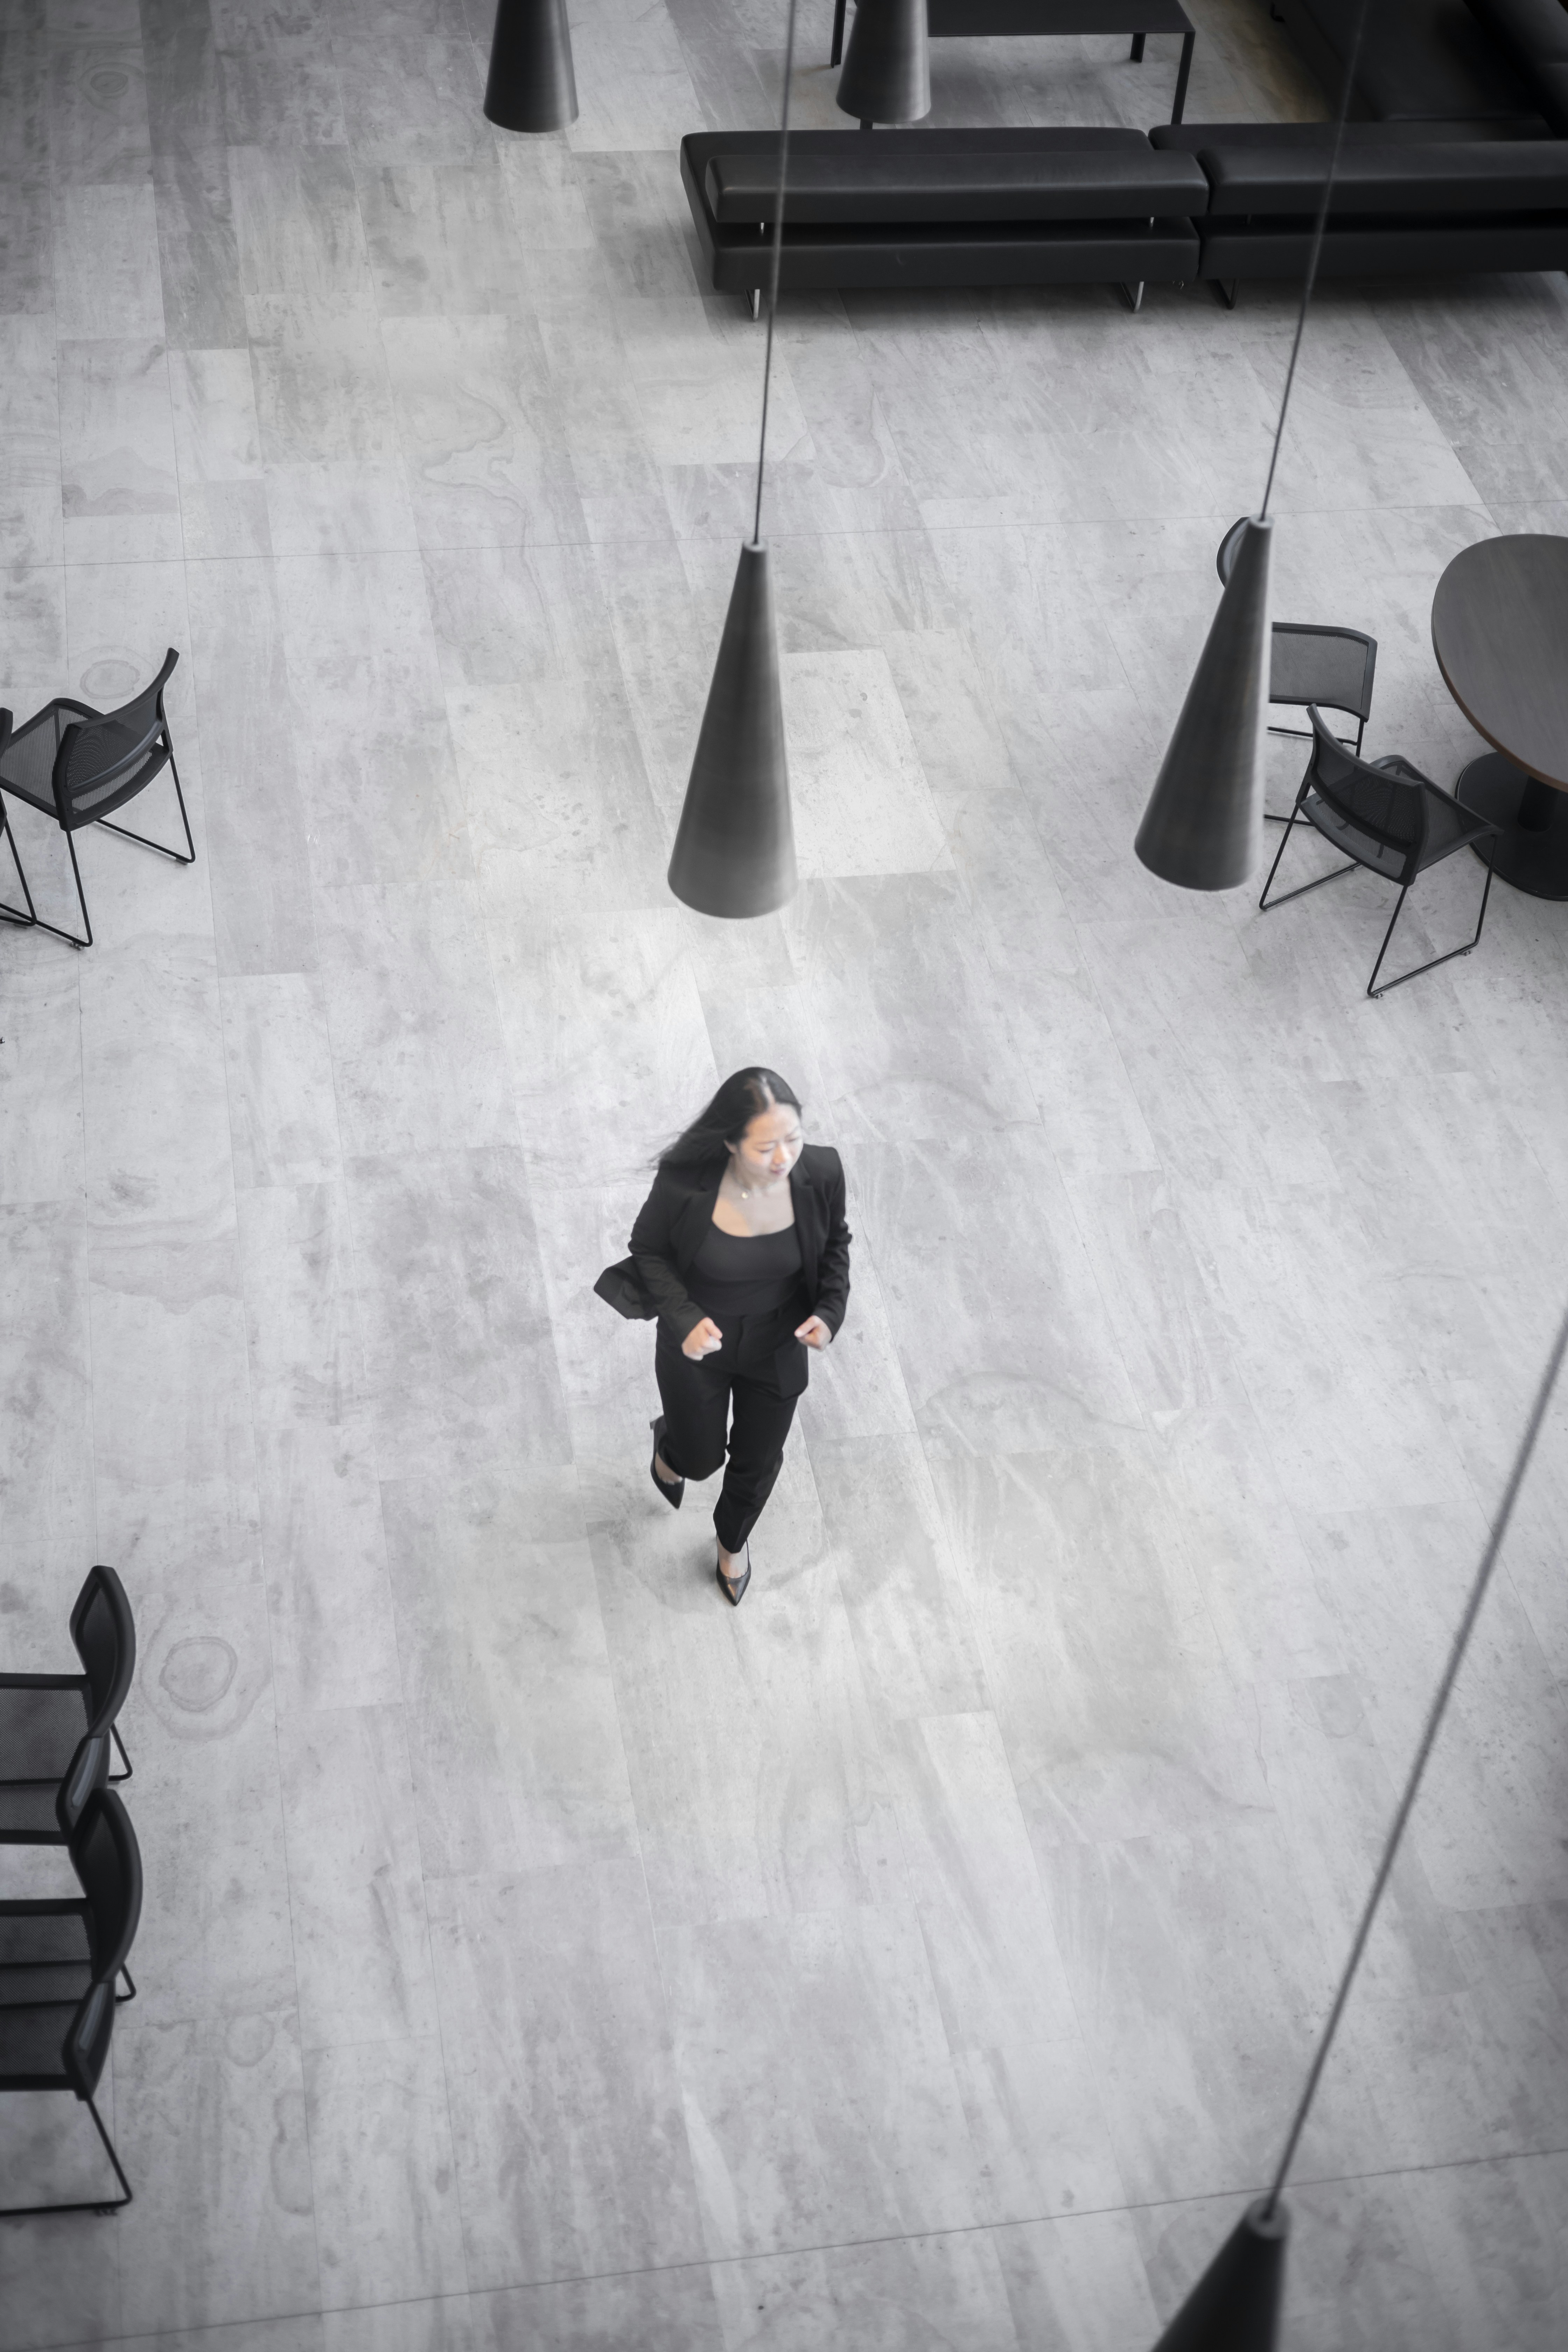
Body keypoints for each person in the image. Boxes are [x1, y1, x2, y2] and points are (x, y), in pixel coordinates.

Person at [628, 1068, 850, 1605]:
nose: (785, 1159)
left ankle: (733, 1540)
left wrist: (829, 1310)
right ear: (730, 1142)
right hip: (699, 1346)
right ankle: (675, 1446)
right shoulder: (686, 1182)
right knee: (702, 1458)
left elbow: (835, 1244)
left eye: (793, 1140)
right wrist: (683, 1319)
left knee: (758, 1460)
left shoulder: (821, 1172)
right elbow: (648, 1250)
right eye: (766, 1146)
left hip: (776, 1345)